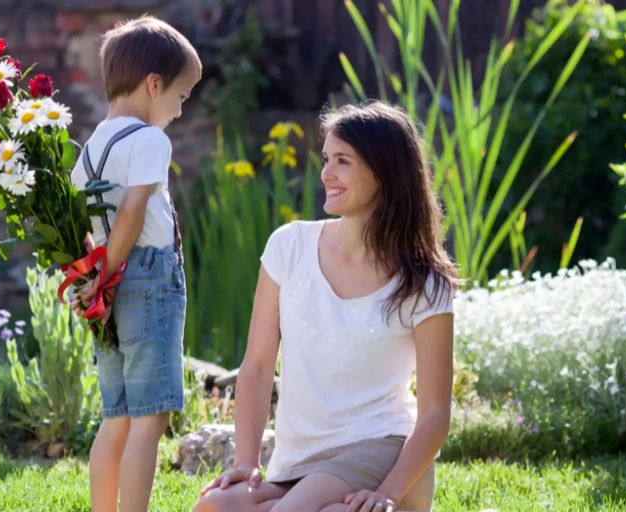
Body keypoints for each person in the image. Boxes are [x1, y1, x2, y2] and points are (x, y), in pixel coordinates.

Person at [194, 101, 457, 512]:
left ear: (384, 172)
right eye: (326, 159)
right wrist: (246, 461)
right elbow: (258, 367)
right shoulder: (289, 246)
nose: (326, 173)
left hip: (382, 454)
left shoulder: (424, 281)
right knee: (215, 506)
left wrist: (388, 492)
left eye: (343, 161)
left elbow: (435, 414)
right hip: (300, 462)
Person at [69, 15, 201, 512]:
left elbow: (86, 223)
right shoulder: (149, 140)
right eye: (181, 97)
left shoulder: (90, 150)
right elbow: (133, 209)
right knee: (151, 416)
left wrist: (96, 279)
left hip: (110, 285)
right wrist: (106, 274)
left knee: (118, 416)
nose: (180, 111)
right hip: (145, 278)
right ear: (153, 85)